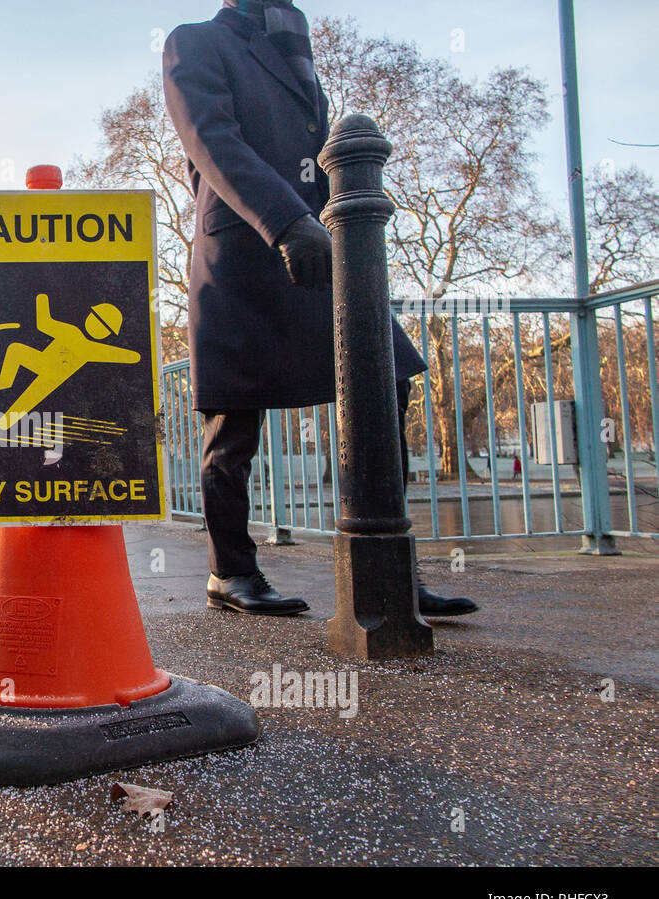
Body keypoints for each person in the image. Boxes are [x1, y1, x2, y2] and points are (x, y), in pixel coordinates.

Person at [163, 0, 476, 617]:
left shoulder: (292, 48)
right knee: (232, 428)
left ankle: (385, 565)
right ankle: (231, 571)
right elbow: (212, 141)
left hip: (316, 243)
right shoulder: (193, 42)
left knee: (387, 377)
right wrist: (285, 222)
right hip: (248, 250)